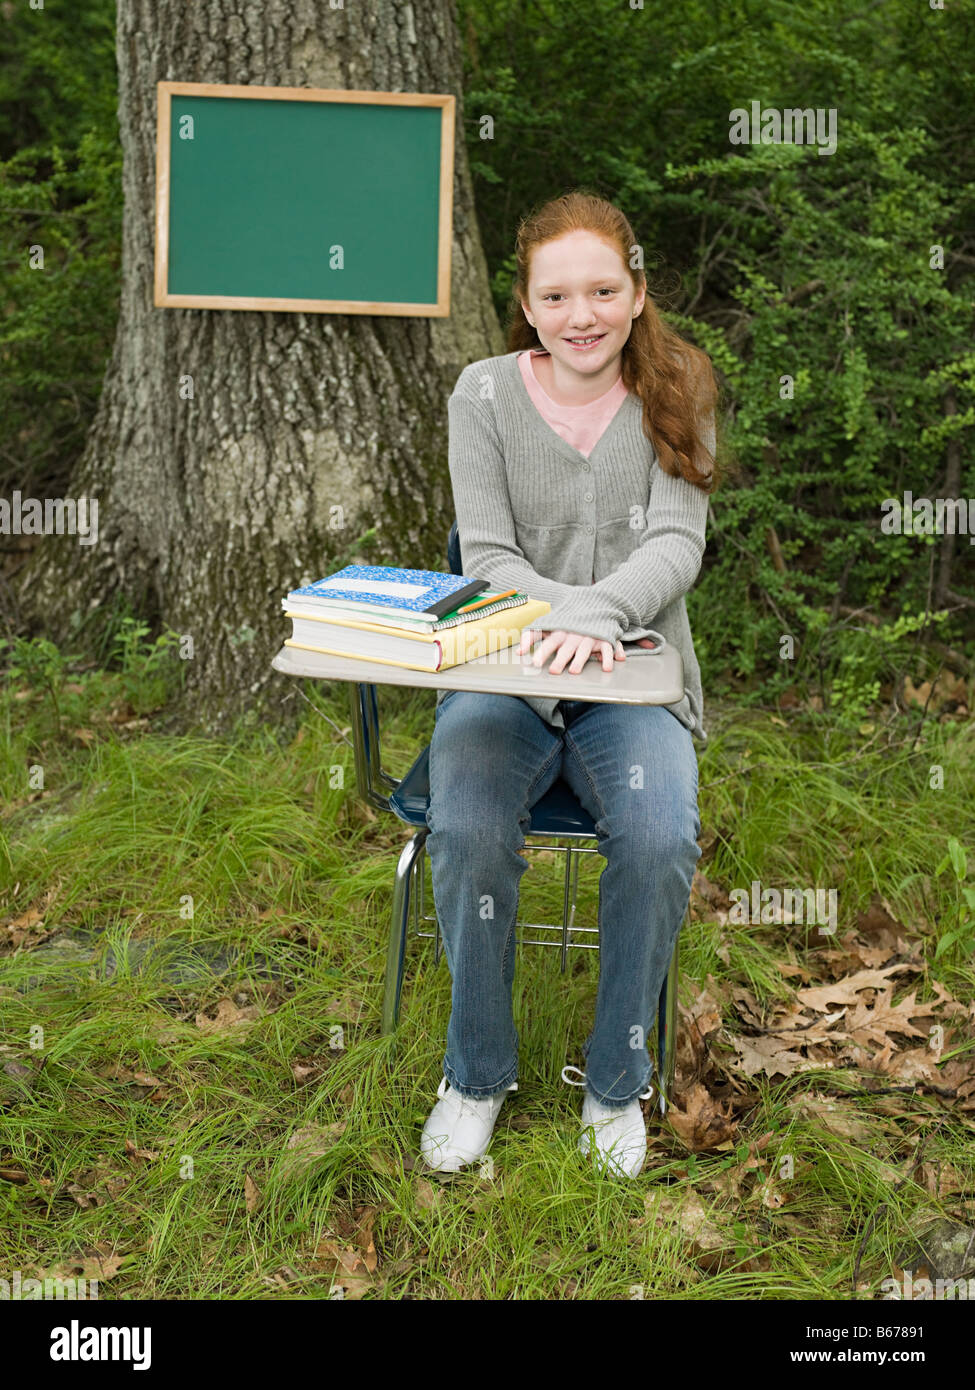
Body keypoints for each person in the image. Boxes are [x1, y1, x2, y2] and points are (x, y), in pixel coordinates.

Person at [420, 190, 724, 1180]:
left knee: (656, 834)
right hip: (504, 672)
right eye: (558, 295)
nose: (581, 313)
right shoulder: (482, 395)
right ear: (528, 302)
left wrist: (598, 618)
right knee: (464, 824)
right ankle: (477, 1071)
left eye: (603, 288)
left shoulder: (679, 385)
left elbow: (680, 541)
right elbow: (492, 555)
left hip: (631, 679)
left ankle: (613, 1077)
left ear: (637, 292)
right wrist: (558, 620)